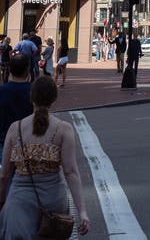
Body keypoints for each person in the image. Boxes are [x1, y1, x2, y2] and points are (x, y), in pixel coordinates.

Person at [0, 76, 90, 236]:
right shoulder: (64, 130)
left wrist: (1, 200)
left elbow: (5, 174)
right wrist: (82, 211)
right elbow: (71, 172)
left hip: (19, 202)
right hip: (54, 201)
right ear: (54, 98)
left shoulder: (15, 129)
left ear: (31, 97)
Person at [0, 55, 32, 161]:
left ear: (10, 70)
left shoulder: (2, 91)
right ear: (27, 70)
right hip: (29, 141)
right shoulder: (34, 91)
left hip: (5, 140)